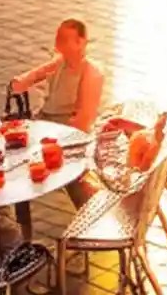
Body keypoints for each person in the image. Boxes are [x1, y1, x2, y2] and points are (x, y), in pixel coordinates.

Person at [10, 19, 104, 206]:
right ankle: (13, 215)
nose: (57, 43)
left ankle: (94, 212)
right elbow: (38, 74)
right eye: (58, 37)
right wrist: (22, 81)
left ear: (80, 42)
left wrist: (53, 142)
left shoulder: (91, 73)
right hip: (43, 123)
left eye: (63, 39)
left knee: (77, 181)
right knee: (8, 151)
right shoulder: (61, 62)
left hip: (66, 133)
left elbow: (83, 121)